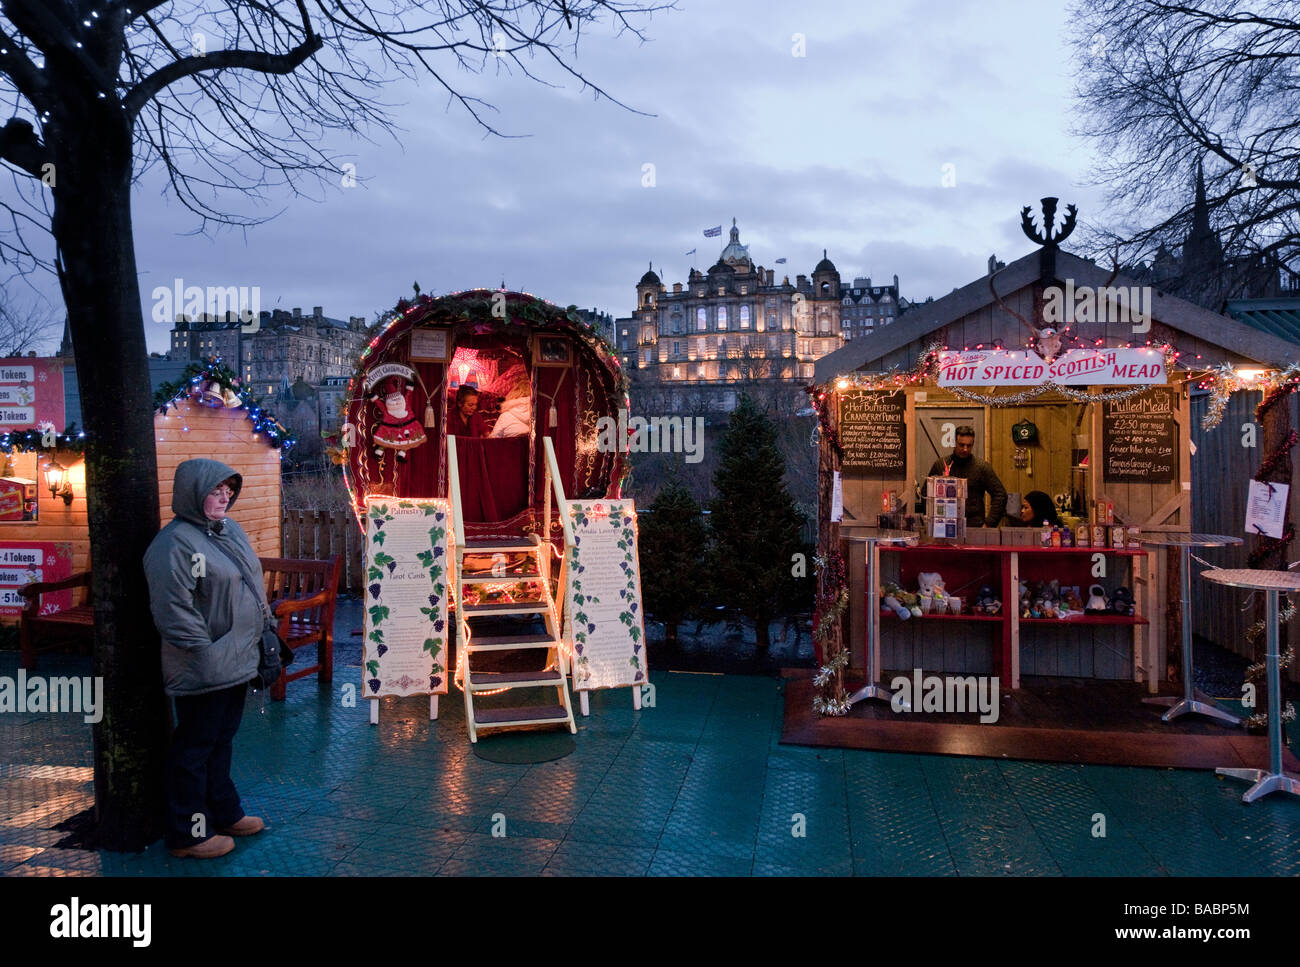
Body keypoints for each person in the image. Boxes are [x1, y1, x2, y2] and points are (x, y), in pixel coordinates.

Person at [144, 458, 267, 859]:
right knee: (194, 748)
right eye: (216, 490)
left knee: (221, 740)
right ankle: (189, 833)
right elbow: (173, 608)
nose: (224, 497)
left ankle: (224, 812)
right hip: (205, 663)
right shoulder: (175, 544)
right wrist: (207, 654)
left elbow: (248, 582)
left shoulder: (226, 532)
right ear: (194, 494)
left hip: (236, 658)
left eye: (228, 491)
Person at [927, 425, 1007, 528]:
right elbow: (927, 492)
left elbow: (1000, 495)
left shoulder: (981, 467)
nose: (965, 449)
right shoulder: (941, 465)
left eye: (969, 446)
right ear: (954, 443)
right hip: (944, 526)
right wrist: (931, 520)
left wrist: (989, 523)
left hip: (974, 527)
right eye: (961, 445)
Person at [489, 371, 531, 438]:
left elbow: (493, 440)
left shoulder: (505, 416)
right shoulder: (537, 415)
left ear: (513, 393)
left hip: (512, 448)